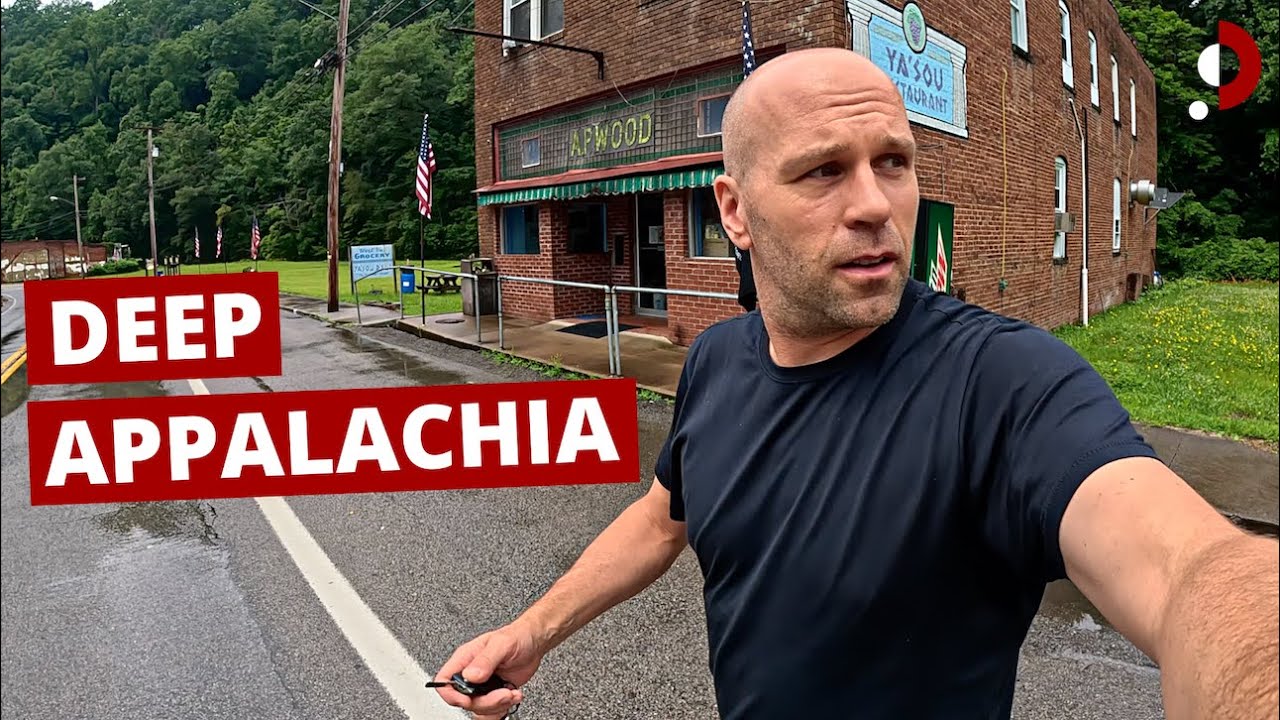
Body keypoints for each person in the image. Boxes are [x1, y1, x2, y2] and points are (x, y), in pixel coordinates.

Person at [432, 48, 1279, 719]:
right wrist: (533, 629)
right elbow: (664, 517)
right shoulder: (716, 361)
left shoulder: (1001, 382)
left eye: (893, 162)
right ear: (734, 211)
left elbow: (1188, 570)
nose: (875, 204)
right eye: (823, 171)